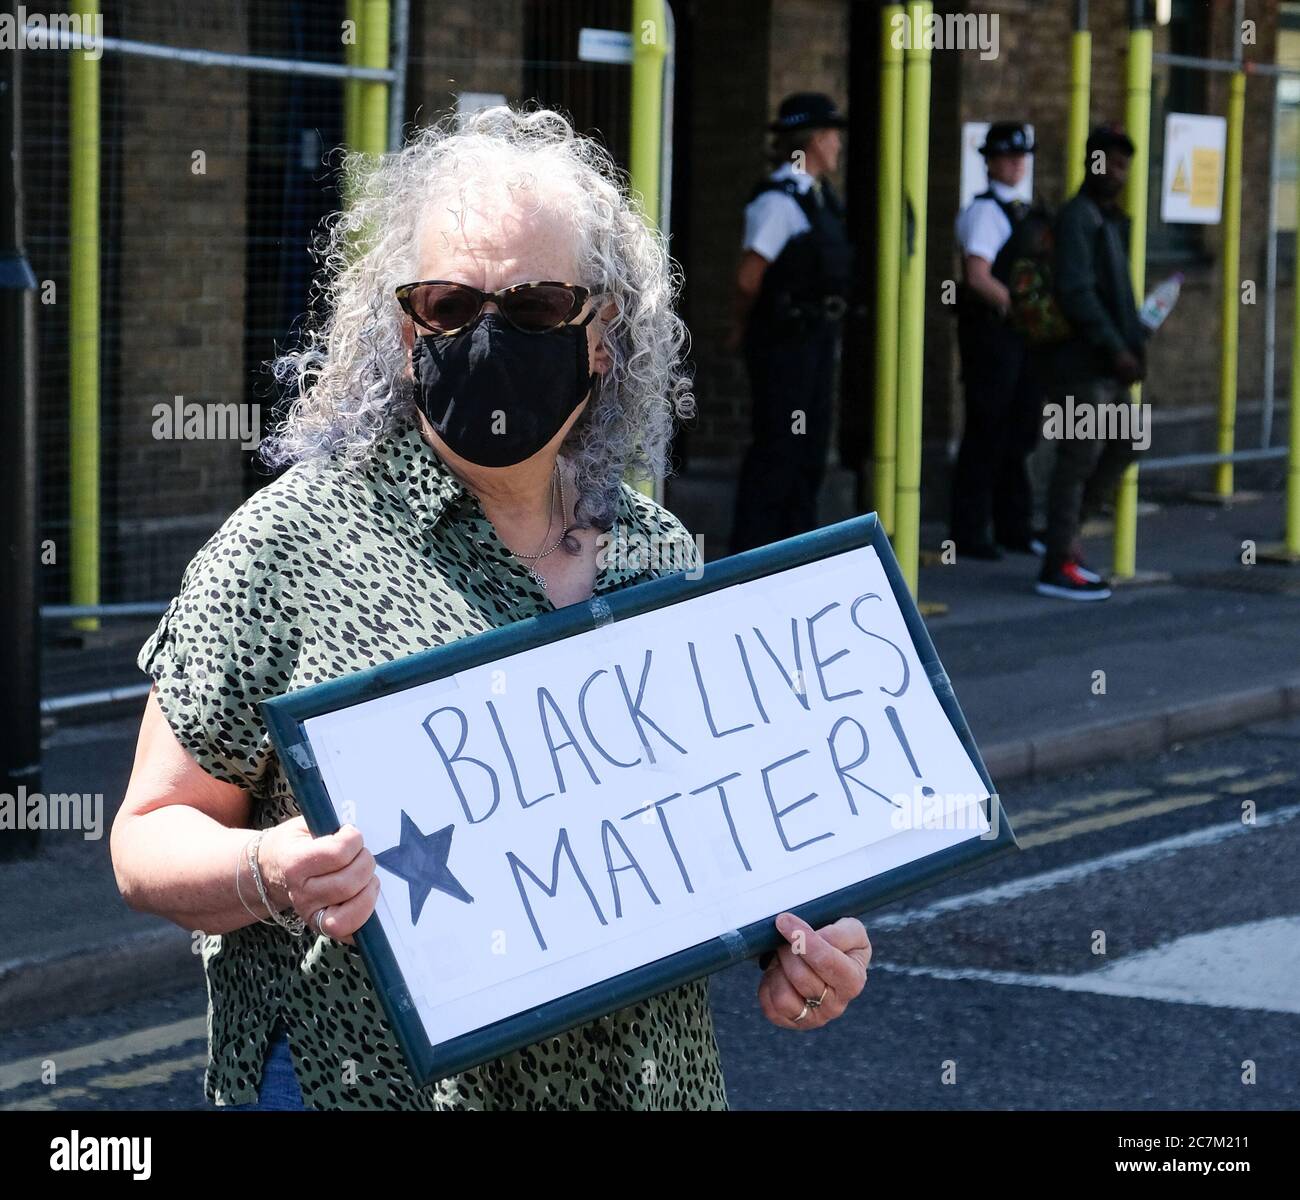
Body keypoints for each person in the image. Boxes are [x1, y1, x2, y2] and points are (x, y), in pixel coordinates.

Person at [109, 105, 872, 1112]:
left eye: (536, 305)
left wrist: (800, 946)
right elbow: (150, 831)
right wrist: (268, 867)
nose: (485, 336)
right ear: (399, 327)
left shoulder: (656, 552)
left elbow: (691, 844)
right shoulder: (283, 547)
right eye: (447, 302)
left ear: (602, 336)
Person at [726, 92, 855, 554]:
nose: (838, 145)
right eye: (832, 135)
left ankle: (797, 556)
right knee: (780, 447)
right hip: (783, 342)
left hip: (815, 340)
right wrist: (741, 327)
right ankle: (753, 554)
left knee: (810, 450)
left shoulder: (820, 199)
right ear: (815, 140)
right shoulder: (779, 202)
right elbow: (748, 279)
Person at [1036, 123, 1148, 601]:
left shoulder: (1109, 220)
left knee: (1128, 439)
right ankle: (1056, 562)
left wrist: (1132, 342)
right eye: (1111, 162)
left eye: (1125, 165)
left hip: (1106, 363)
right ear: (1092, 163)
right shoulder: (1079, 218)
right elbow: (1077, 292)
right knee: (1077, 457)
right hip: (1082, 363)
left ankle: (1067, 536)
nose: (1118, 173)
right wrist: (1115, 346)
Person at [949, 121, 1046, 561]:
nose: (1017, 164)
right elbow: (977, 276)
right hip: (993, 337)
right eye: (1008, 156)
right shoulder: (986, 212)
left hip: (1021, 337)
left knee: (1020, 431)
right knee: (987, 430)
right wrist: (1023, 308)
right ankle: (971, 530)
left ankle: (1014, 525)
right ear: (989, 162)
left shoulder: (1028, 208)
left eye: (1021, 156)